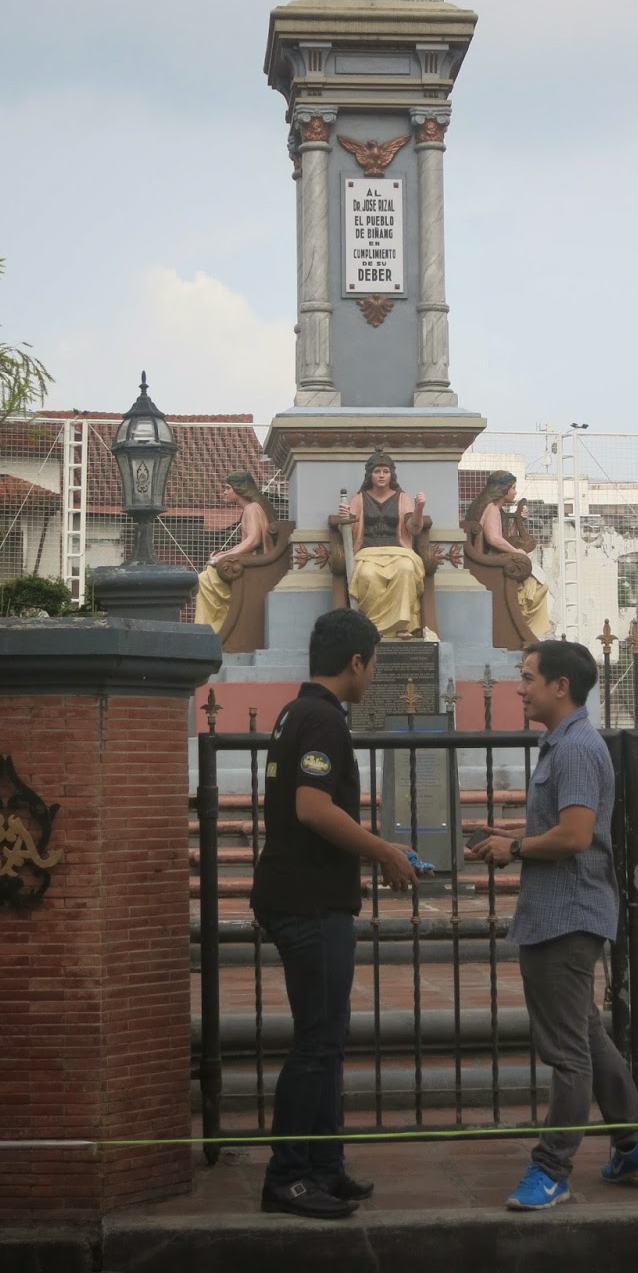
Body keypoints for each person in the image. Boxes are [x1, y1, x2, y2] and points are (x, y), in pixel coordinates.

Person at [470, 640, 638, 1210]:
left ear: (561, 687)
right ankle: (633, 1144)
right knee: (587, 1038)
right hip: (566, 913)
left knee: (566, 1054)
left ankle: (551, 1169)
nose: (520, 686)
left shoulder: (576, 747)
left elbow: (576, 837)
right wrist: (510, 836)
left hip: (564, 918)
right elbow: (565, 825)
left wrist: (516, 848)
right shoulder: (564, 744)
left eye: (528, 677)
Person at [251, 608, 418, 1219]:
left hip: (304, 897)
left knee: (329, 1037)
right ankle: (288, 1176)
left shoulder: (298, 712)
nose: (371, 674)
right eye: (372, 663)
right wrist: (384, 852)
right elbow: (313, 808)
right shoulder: (323, 720)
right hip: (310, 902)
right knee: (318, 1042)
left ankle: (323, 1165)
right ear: (357, 662)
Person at [340, 450, 427, 636]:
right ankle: (373, 628)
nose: (381, 475)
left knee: (406, 569)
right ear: (370, 474)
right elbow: (350, 531)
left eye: (385, 471)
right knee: (367, 575)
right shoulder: (359, 498)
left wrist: (419, 508)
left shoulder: (402, 498)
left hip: (399, 552)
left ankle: (400, 626)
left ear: (391, 475)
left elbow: (413, 528)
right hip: (368, 553)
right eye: (377, 471)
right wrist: (345, 518)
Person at [463, 470, 552, 638]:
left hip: (496, 560)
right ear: (503, 489)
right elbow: (494, 539)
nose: (516, 492)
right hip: (491, 564)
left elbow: (504, 537)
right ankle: (523, 627)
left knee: (538, 582)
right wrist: (516, 551)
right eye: (513, 488)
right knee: (538, 586)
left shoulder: (496, 509)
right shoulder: (492, 509)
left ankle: (524, 627)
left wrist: (519, 520)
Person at [194, 472, 275, 633]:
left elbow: (253, 540)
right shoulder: (250, 509)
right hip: (249, 565)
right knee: (207, 575)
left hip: (252, 569)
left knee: (204, 578)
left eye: (227, 488)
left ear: (240, 489)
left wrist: (225, 557)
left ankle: (213, 627)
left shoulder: (251, 509)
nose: (224, 492)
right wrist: (223, 554)